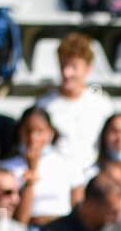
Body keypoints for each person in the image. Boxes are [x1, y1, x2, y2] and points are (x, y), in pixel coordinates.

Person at [35, 33, 116, 173]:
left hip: (93, 176)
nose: (66, 73)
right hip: (55, 174)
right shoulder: (43, 105)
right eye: (63, 65)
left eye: (73, 67)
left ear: (88, 68)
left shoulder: (103, 104)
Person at [2, 105, 84, 228]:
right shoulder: (7, 168)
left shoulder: (67, 163)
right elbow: (20, 220)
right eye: (27, 131)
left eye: (40, 131)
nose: (33, 138)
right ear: (19, 132)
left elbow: (77, 207)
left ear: (51, 133)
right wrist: (32, 171)